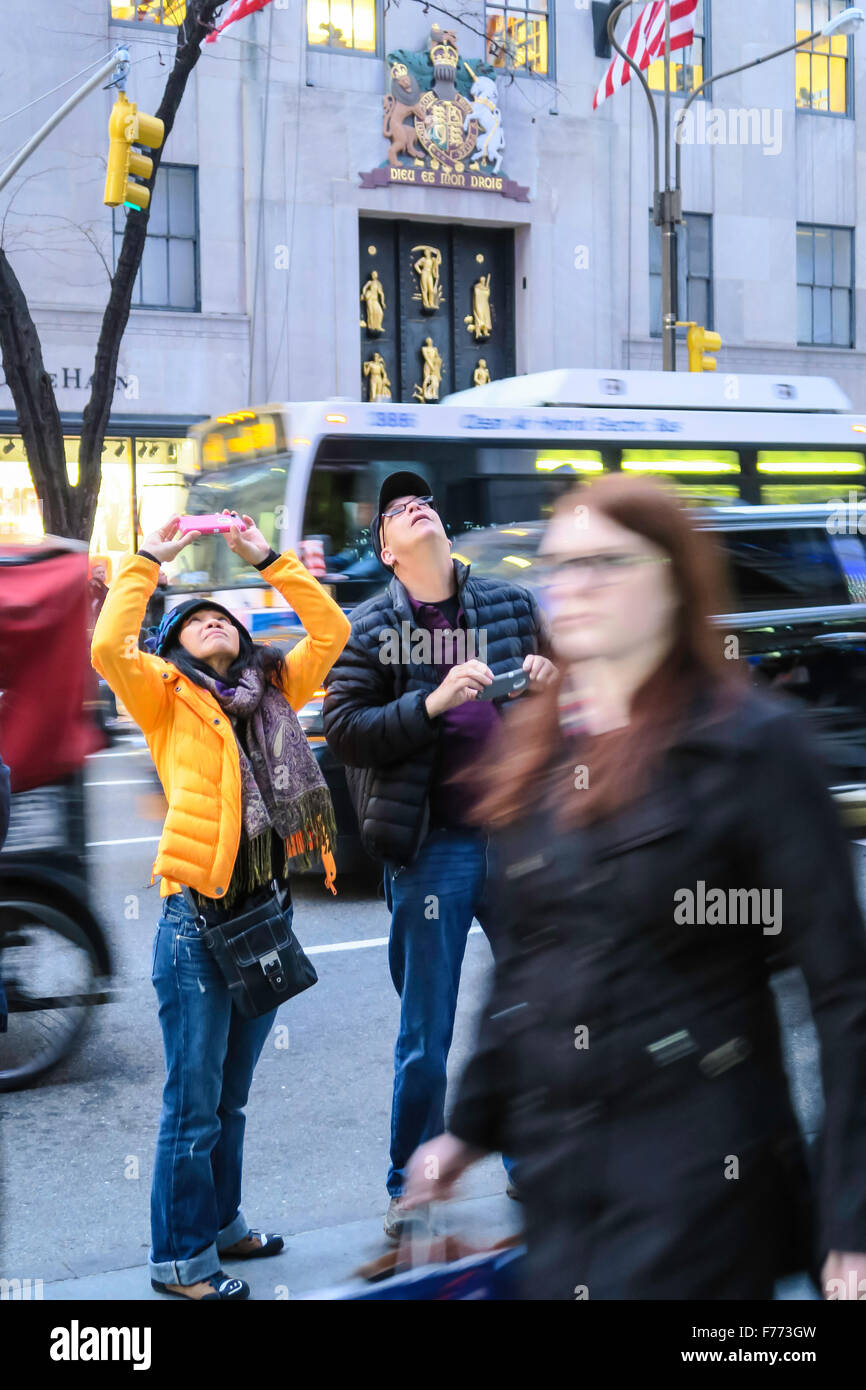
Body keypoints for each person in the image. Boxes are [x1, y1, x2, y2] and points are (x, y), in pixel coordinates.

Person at [402, 475, 866, 1300]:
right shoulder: (540, 757)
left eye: (604, 564)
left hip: (704, 1204)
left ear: (672, 579)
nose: (570, 588)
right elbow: (527, 967)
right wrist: (466, 1132)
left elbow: (846, 999)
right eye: (558, 567)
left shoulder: (754, 749)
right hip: (564, 1198)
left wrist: (851, 1228)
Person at [91, 511, 350, 1301]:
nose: (211, 623)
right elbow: (109, 647)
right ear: (174, 648)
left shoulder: (274, 690)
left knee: (230, 1100)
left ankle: (224, 1223)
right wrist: (148, 560)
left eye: (222, 618)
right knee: (194, 1102)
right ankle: (179, 1260)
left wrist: (266, 557)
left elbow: (330, 629)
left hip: (266, 916)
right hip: (196, 924)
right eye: (195, 620)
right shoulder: (163, 697)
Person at [322, 472, 556, 1240]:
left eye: (420, 501)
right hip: (433, 852)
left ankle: (532, 1164)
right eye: (393, 511)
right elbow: (346, 728)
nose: (410, 507)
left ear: (442, 529)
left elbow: (570, 698)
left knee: (531, 1011)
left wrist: (554, 685)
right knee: (427, 1035)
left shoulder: (512, 604)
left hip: (519, 840)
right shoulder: (372, 628)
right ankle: (408, 1183)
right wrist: (431, 702)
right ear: (388, 551)